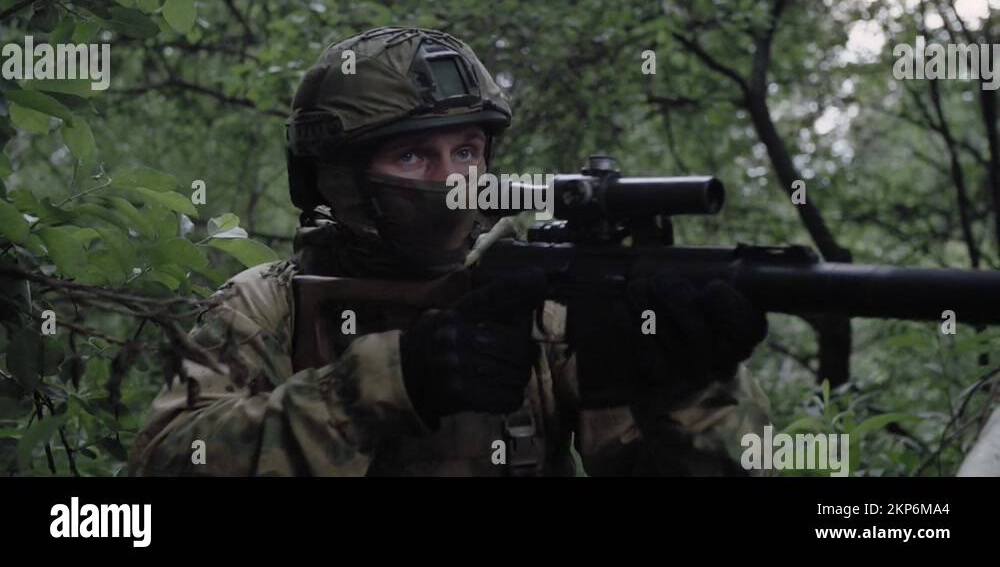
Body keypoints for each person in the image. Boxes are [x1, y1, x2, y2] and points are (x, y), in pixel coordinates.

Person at [129, 26, 772, 476]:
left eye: (466, 152)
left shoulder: (542, 307)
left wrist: (692, 392)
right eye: (412, 155)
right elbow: (158, 476)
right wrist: (388, 383)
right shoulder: (264, 307)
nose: (451, 181)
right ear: (333, 178)